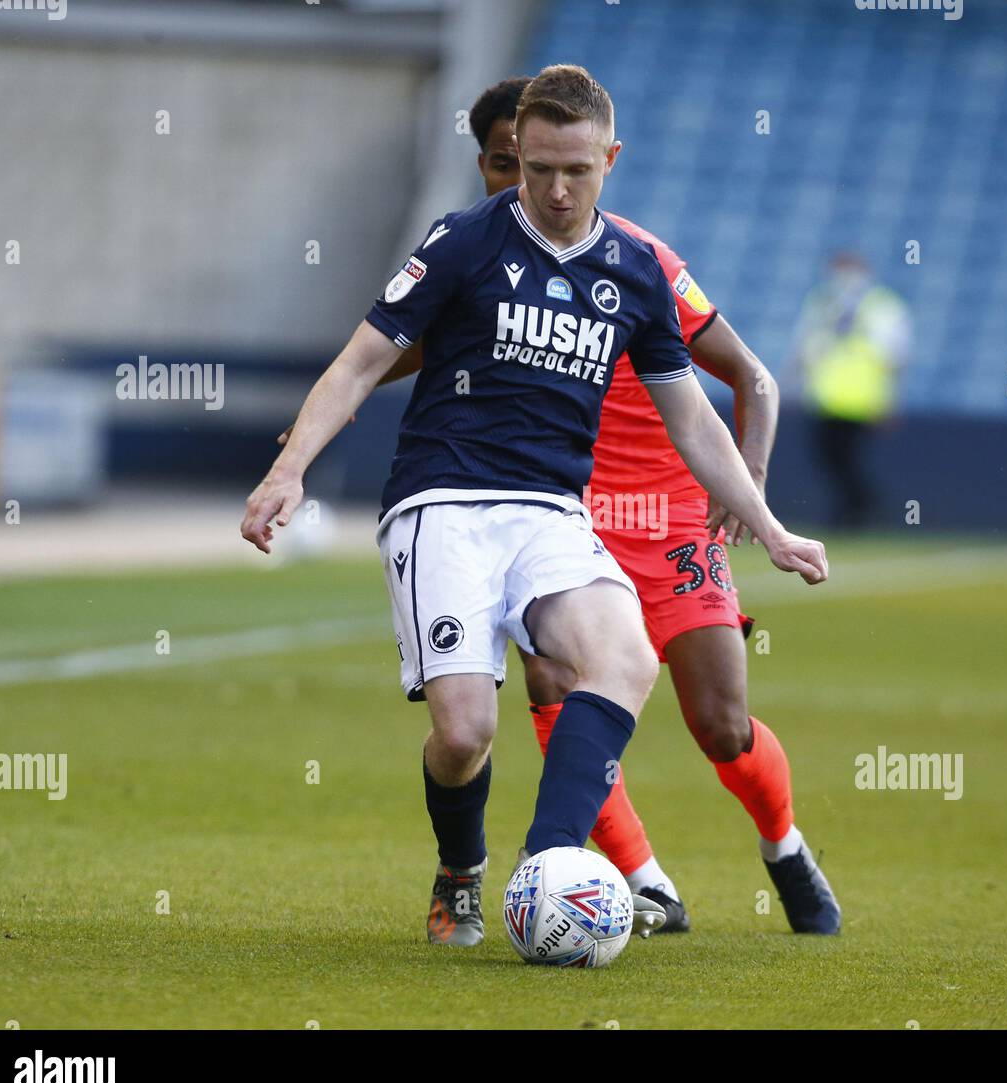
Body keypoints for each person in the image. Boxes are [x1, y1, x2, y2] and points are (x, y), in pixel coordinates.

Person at [242, 65, 829, 950]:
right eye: (536, 168)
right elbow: (363, 360)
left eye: (576, 171)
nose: (555, 190)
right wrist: (290, 469)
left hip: (553, 510)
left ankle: (547, 866)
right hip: (444, 500)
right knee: (465, 732)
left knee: (624, 660)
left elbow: (695, 420)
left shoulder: (636, 269)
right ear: (517, 155)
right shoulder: (462, 243)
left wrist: (770, 523)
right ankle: (461, 868)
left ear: (611, 159)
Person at [797, 253, 911, 528]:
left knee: (847, 461)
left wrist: (890, 399)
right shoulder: (822, 303)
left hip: (862, 401)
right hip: (827, 399)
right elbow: (806, 348)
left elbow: (896, 356)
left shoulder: (882, 308)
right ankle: (855, 510)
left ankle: (858, 511)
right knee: (830, 459)